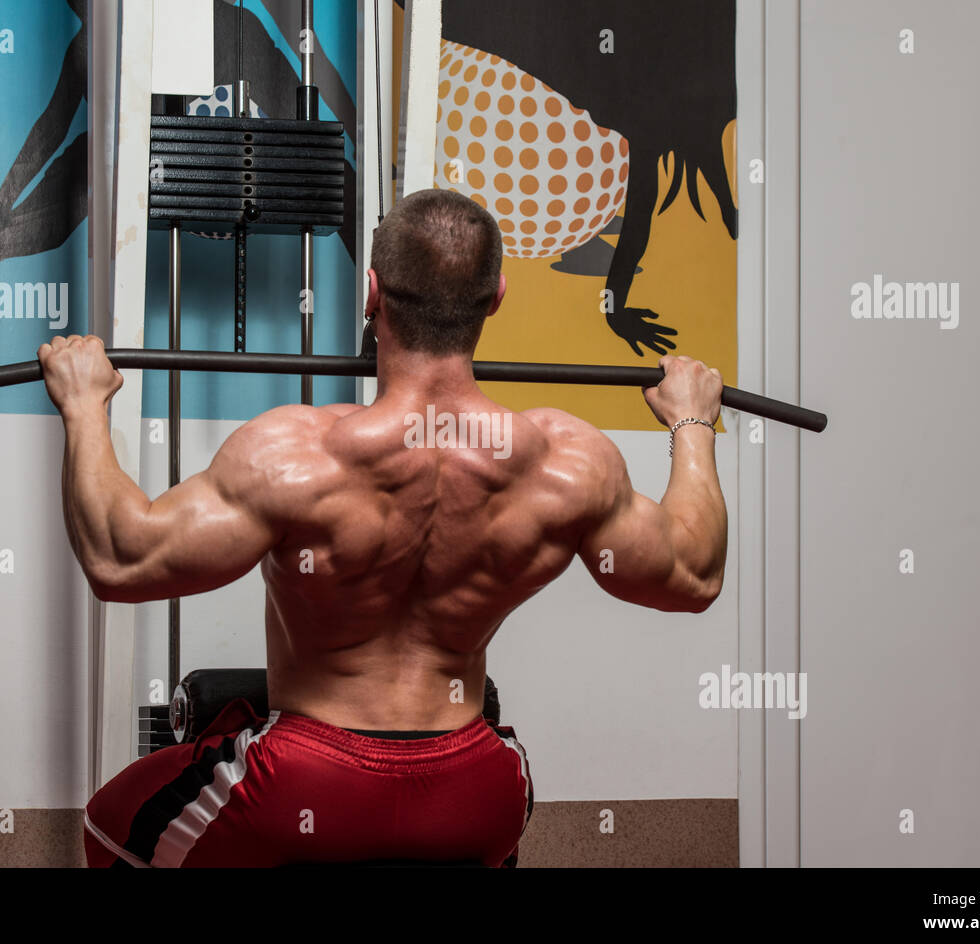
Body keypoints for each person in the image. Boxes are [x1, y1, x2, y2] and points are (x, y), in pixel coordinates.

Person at [42, 188, 727, 867]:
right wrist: (692, 422)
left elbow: (120, 558)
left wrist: (84, 405)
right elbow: (693, 574)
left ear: (371, 292)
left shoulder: (295, 453)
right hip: (473, 790)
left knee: (111, 823)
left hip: (309, 784)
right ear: (496, 298)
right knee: (491, 797)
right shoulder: (565, 462)